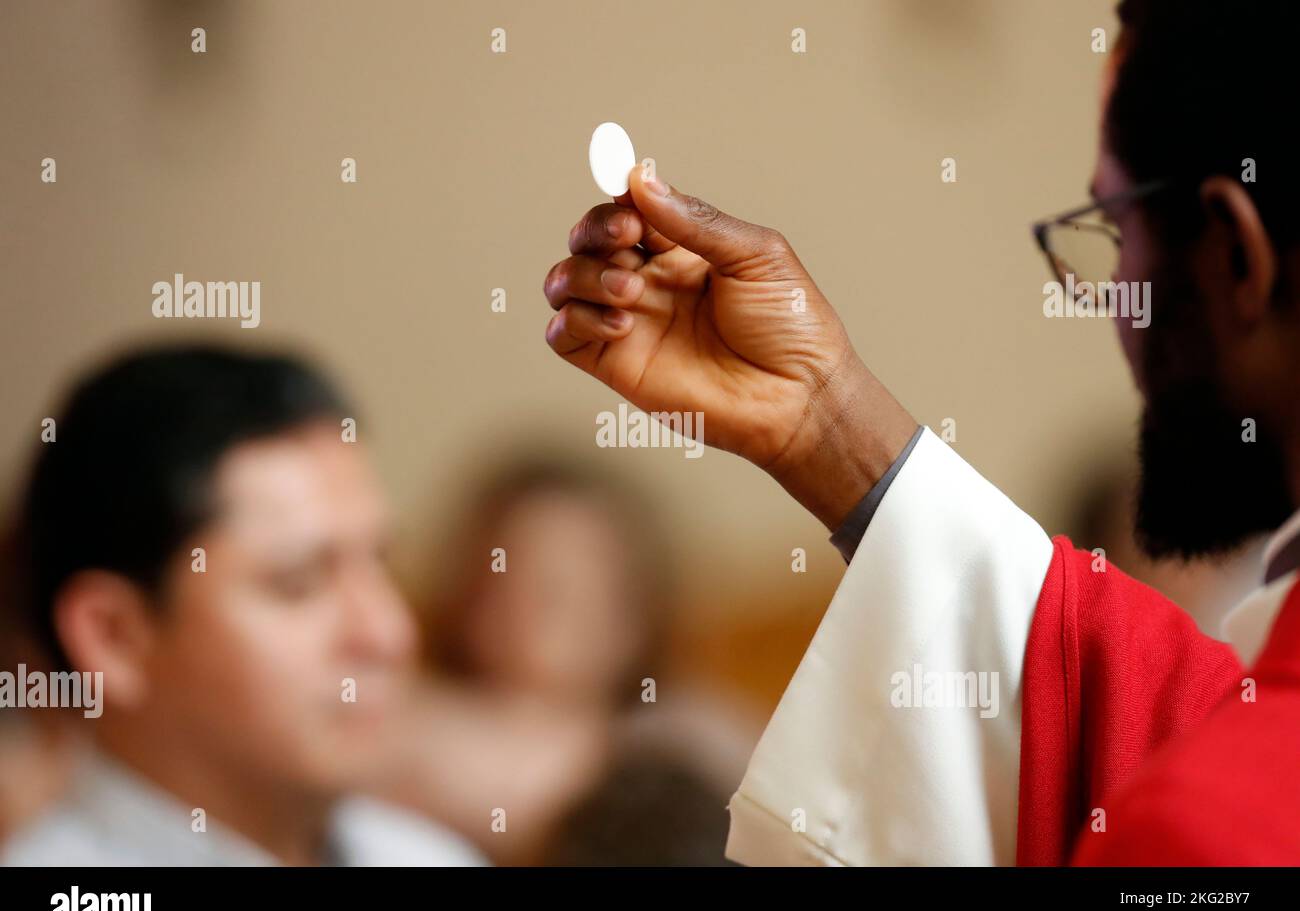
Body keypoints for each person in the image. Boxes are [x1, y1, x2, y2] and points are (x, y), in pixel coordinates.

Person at [542, 0, 1300, 864]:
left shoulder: (1209, 835)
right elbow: (1191, 709)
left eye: (1117, 234)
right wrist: (825, 423)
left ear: (1236, 260)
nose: (1102, 296)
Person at [1, 345, 482, 866]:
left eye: (382, 565)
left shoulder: (428, 858)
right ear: (114, 636)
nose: (388, 633)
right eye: (297, 583)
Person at [378, 458, 754, 865]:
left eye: (572, 586)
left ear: (637, 610)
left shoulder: (687, 726)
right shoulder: (410, 715)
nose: (535, 612)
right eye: (514, 580)